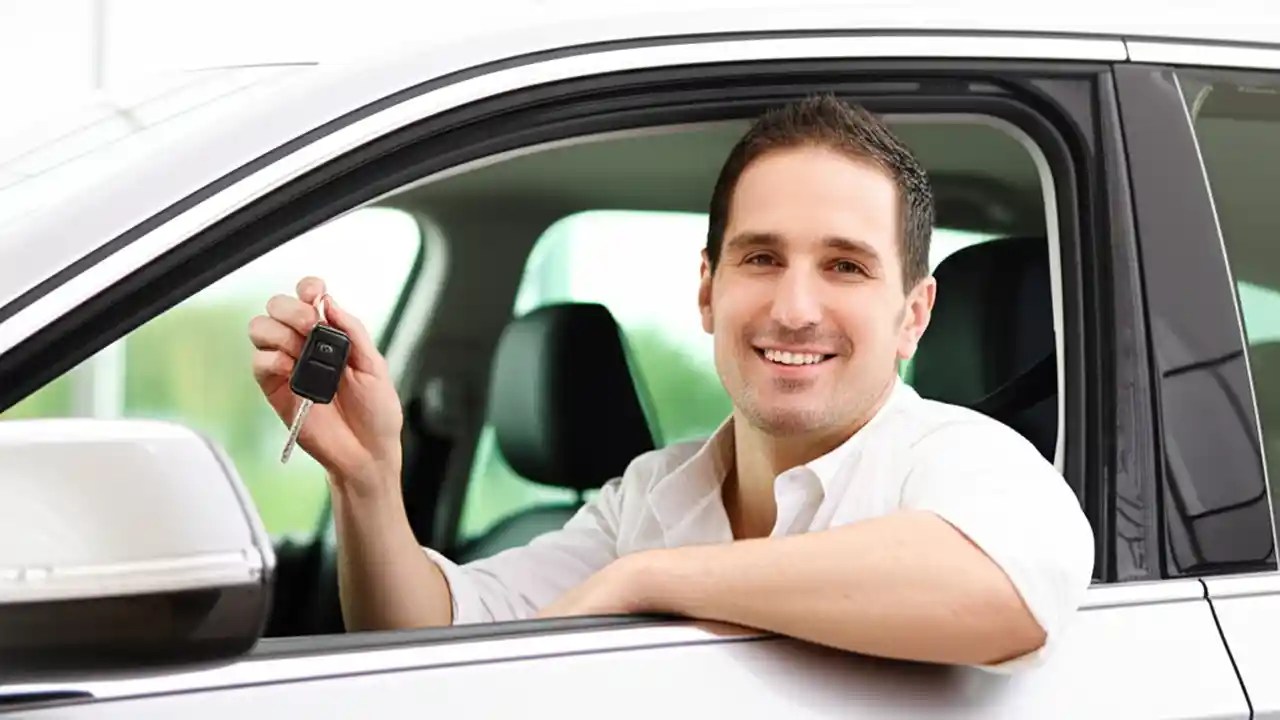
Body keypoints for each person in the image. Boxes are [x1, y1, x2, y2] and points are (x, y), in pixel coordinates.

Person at [248, 94, 1094, 673]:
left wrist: (652, 581)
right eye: (761, 258)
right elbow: (431, 641)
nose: (795, 308)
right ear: (706, 291)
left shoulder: (962, 459)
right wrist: (366, 479)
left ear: (913, 315)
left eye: (845, 266)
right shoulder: (651, 497)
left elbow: (1008, 589)